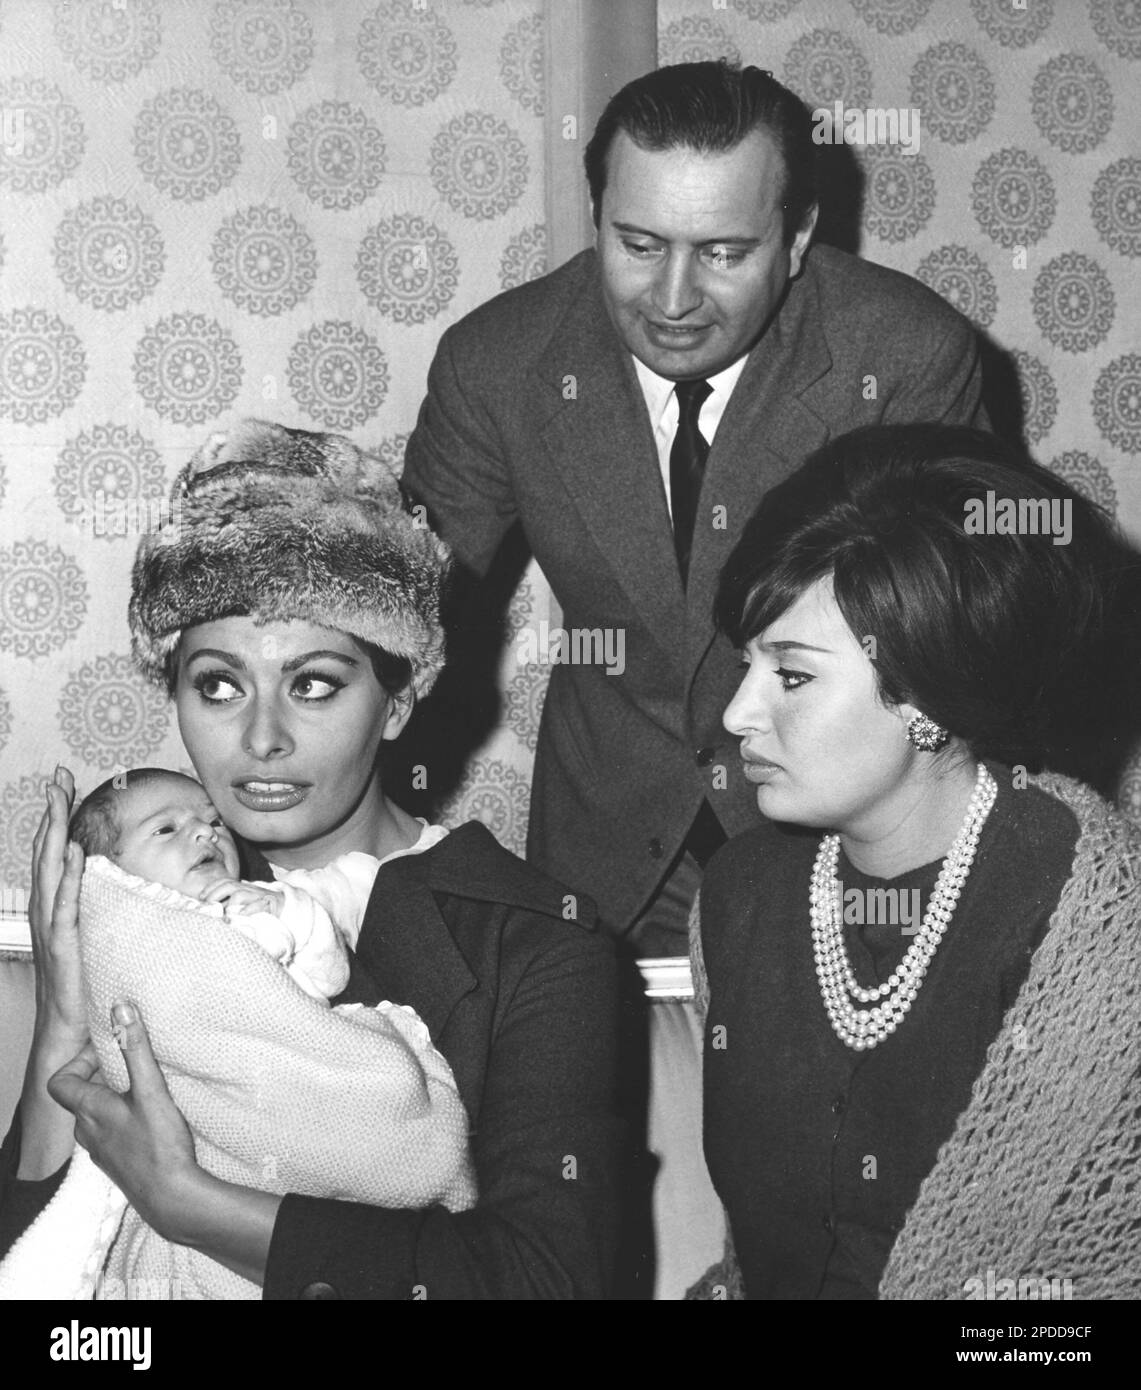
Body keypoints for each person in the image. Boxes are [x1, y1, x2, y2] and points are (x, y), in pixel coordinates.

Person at [0, 418, 620, 1300]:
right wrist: (64, 1015)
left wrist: (192, 1204)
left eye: (315, 684)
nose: (260, 738)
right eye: (218, 684)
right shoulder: (140, 904)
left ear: (398, 702)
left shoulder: (537, 947)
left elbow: (544, 1281)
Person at [402, 60, 989, 953]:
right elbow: (402, 610)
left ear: (794, 242)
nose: (672, 300)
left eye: (722, 253)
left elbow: (962, 634)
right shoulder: (497, 363)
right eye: (638, 245)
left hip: (849, 835)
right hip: (608, 848)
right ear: (595, 218)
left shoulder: (906, 354)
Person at [688, 423, 1141, 1300]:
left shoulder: (1091, 921)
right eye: (745, 664)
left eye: (791, 675)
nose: (738, 713)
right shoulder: (740, 897)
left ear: (925, 693)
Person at [68, 766, 404, 1002]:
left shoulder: (258, 904)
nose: (207, 831)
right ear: (108, 875)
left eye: (215, 821)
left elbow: (331, 977)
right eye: (166, 829)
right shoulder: (121, 944)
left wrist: (287, 911)